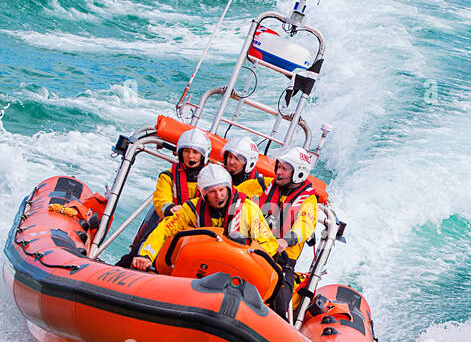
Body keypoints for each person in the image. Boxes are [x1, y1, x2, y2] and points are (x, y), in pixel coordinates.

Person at [131, 164, 278, 271]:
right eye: (212, 192)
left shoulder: (248, 209)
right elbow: (163, 231)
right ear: (204, 194)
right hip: (197, 266)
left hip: (233, 268)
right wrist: (146, 255)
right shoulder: (191, 209)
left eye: (221, 190)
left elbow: (269, 244)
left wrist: (244, 252)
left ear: (228, 188)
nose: (218, 196)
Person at [117, 126, 211, 267]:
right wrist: (171, 208)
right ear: (180, 153)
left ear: (203, 155)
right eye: (186, 151)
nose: (190, 156)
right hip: (171, 225)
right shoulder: (168, 177)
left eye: (195, 152)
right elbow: (161, 199)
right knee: (132, 257)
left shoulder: (213, 179)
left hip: (201, 233)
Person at [259, 145, 320, 319]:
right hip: (257, 250)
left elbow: (304, 226)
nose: (279, 172)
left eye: (284, 169)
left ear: (299, 172)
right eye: (278, 167)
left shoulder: (308, 200)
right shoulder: (269, 186)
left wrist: (286, 240)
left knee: (279, 305)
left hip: (282, 260)